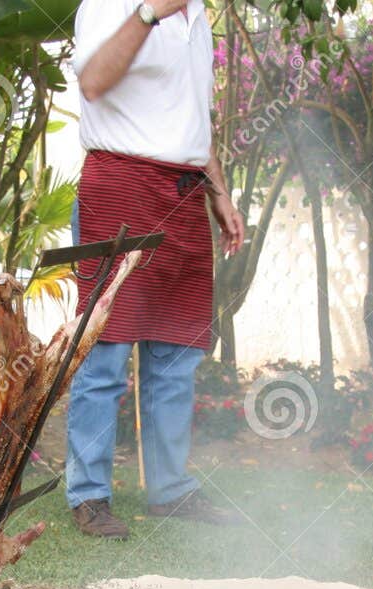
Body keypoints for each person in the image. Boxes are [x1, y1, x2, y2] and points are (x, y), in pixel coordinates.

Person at [65, 0, 248, 540]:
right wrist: (149, 13)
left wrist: (219, 193)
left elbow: (191, 120)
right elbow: (93, 82)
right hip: (119, 185)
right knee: (104, 353)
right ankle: (88, 494)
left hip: (184, 194)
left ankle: (170, 489)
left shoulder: (199, 18)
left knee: (177, 355)